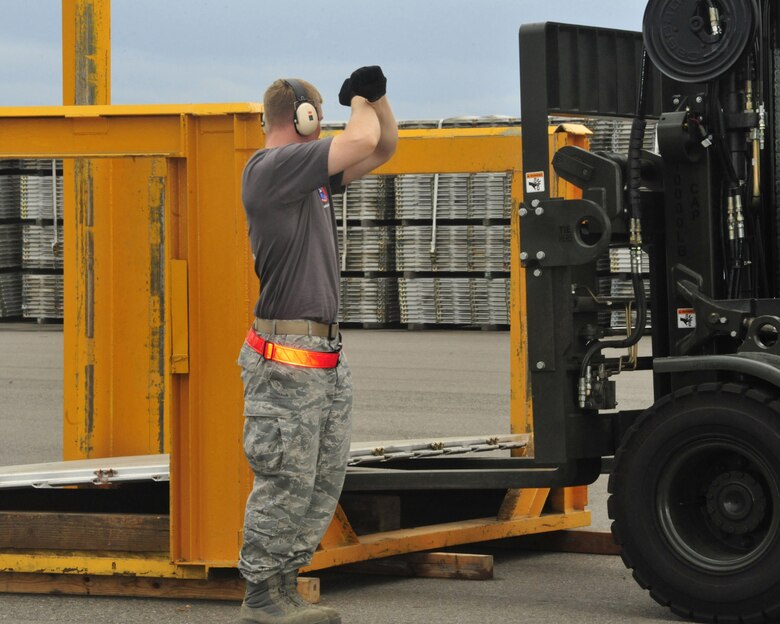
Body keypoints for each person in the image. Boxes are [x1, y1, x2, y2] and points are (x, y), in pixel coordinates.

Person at [237, 66, 398, 624]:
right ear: (302, 118)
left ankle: (283, 587)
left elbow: (383, 147)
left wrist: (375, 98)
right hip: (286, 361)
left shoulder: (309, 180)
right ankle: (261, 595)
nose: (324, 123)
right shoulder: (271, 170)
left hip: (321, 360)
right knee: (284, 481)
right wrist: (359, 101)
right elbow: (362, 139)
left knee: (317, 483)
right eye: (319, 115)